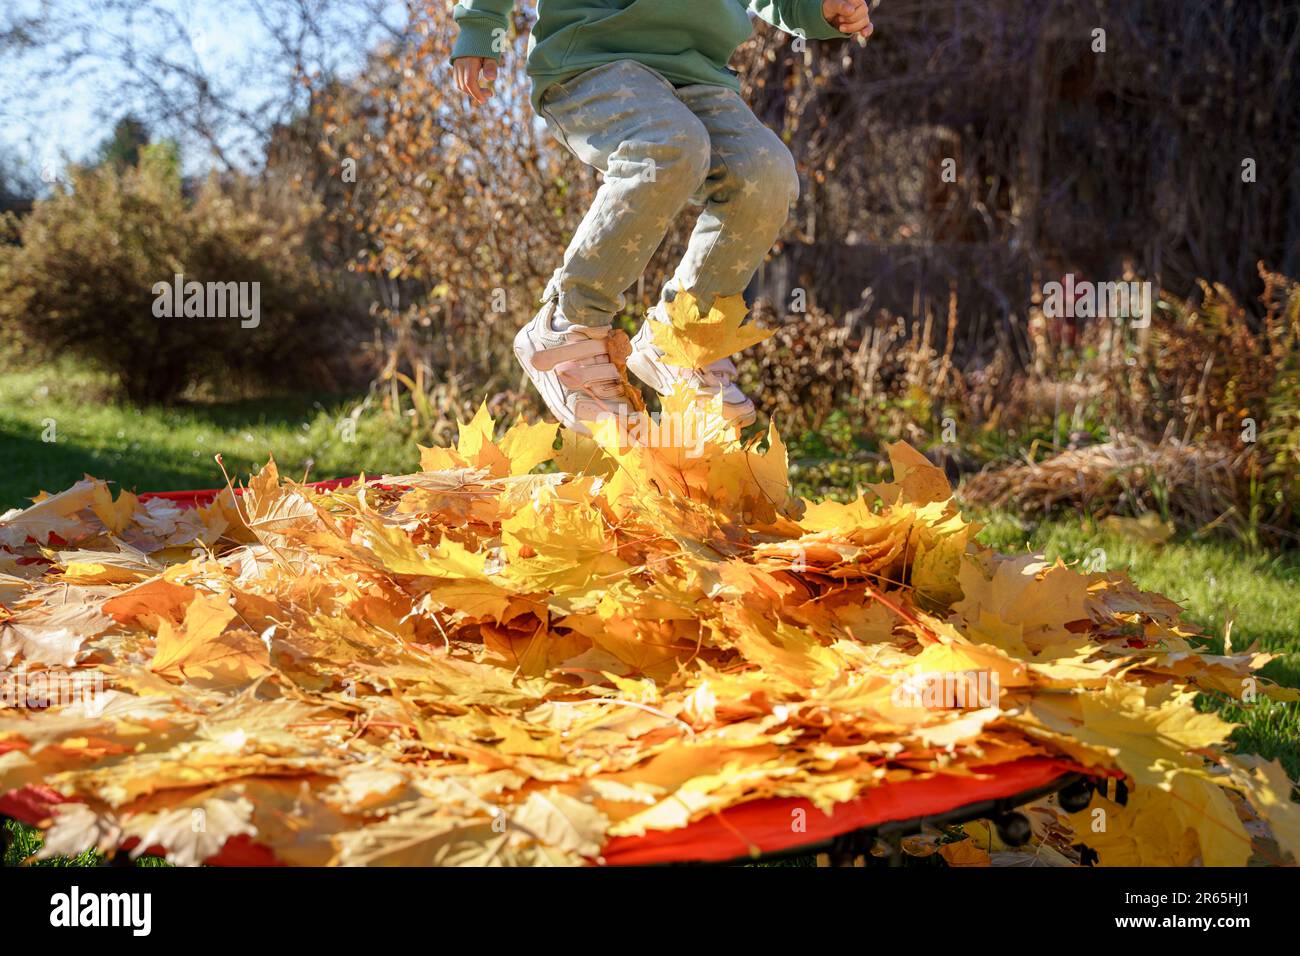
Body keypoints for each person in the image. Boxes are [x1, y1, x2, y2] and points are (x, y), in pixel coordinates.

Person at [452, 1, 873, 432]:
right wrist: (482, 25)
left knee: (765, 174)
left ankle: (681, 335)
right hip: (592, 56)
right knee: (669, 145)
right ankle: (568, 322)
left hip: (698, 73)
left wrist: (816, 9)